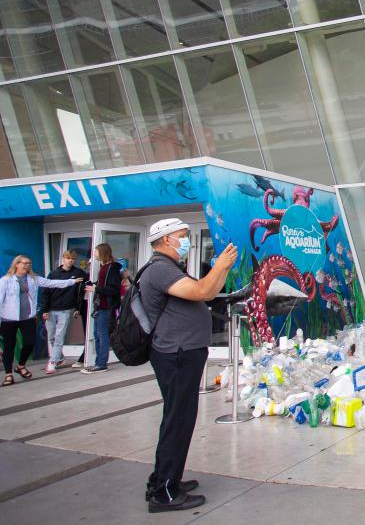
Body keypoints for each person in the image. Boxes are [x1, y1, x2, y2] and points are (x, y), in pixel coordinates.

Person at [142, 218, 237, 512]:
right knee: (178, 420)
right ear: (167, 239)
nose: (187, 241)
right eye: (183, 236)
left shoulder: (169, 268)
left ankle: (166, 479)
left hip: (182, 351)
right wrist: (220, 265)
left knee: (178, 418)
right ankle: (163, 494)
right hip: (176, 353)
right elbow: (202, 293)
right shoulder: (160, 269)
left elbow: (206, 289)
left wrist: (223, 269)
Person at [0, 255, 84, 386]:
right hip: (9, 319)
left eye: (29, 263)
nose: (27, 265)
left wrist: (71, 282)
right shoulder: (6, 280)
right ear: (16, 264)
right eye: (24, 263)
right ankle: (8, 374)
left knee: (29, 343)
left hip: (27, 317)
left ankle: (21, 365)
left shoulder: (33, 279)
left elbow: (51, 283)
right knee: (9, 346)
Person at [39, 250, 87, 374]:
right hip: (51, 309)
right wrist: (44, 310)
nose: (70, 260)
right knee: (51, 337)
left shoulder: (78, 273)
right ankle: (59, 358)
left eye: (72, 258)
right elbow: (45, 292)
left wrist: (77, 308)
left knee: (59, 337)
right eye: (68, 258)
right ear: (63, 259)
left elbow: (81, 291)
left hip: (65, 310)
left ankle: (52, 362)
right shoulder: (54, 273)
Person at [81, 244, 122, 374]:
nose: (94, 254)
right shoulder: (104, 268)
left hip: (105, 306)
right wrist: (95, 285)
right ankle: (99, 362)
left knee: (102, 334)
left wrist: (96, 289)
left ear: (102, 253)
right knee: (97, 334)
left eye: (96, 252)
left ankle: (101, 363)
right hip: (101, 305)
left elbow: (114, 289)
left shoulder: (111, 269)